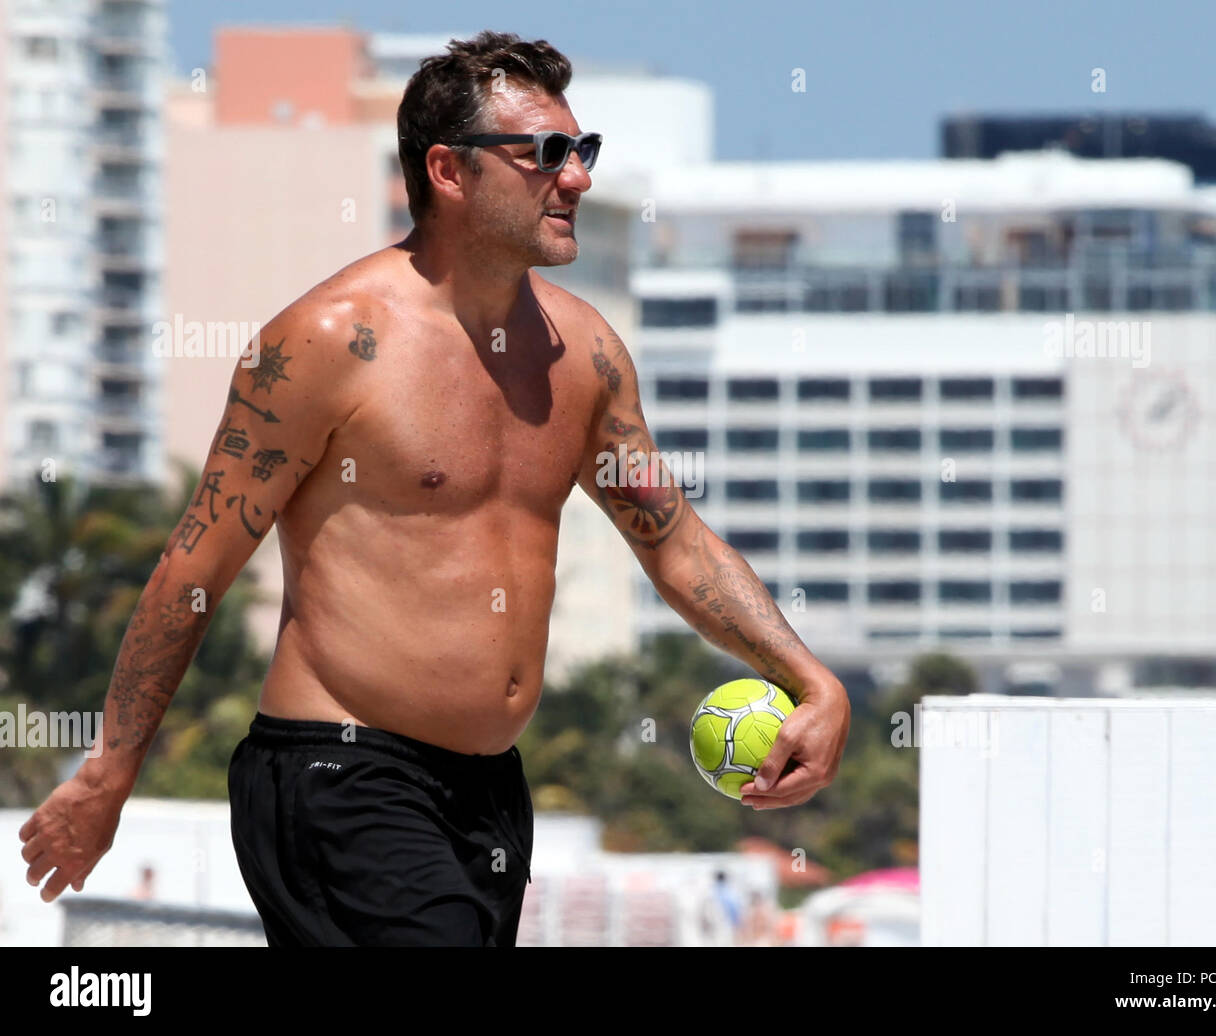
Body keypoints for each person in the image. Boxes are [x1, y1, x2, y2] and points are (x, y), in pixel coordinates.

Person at [17, 30, 851, 947]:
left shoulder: (586, 357)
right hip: (340, 778)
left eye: (583, 151)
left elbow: (675, 541)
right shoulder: (330, 342)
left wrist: (808, 678)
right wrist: (108, 776)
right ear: (449, 172)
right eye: (546, 154)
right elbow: (194, 566)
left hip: (488, 797)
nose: (575, 177)